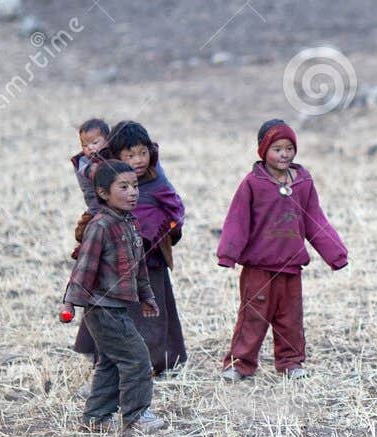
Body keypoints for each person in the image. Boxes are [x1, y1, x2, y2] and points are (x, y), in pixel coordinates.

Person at [217, 120, 349, 380]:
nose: (284, 154)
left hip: (290, 266)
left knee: (290, 318)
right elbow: (238, 220)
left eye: (289, 148)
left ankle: (291, 362)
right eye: (277, 148)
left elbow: (315, 220)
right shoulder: (252, 183)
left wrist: (335, 254)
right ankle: (239, 364)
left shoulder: (302, 181)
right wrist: (228, 253)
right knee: (252, 317)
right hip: (259, 267)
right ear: (263, 150)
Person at [72, 121, 187, 374]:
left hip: (150, 258)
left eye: (143, 152)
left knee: (152, 311)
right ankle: (106, 363)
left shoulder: (156, 180)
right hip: (114, 262)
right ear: (117, 156)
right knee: (108, 309)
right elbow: (96, 211)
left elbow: (174, 210)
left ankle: (154, 362)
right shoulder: (110, 181)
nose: (139, 160)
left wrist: (164, 230)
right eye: (130, 155)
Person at [64, 161, 166, 436]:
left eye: (135, 186)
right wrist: (69, 302)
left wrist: (147, 297)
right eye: (124, 187)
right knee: (137, 359)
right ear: (103, 192)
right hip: (102, 308)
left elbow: (139, 268)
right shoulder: (100, 226)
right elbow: (84, 267)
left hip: (118, 306)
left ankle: (96, 417)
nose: (133, 192)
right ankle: (137, 415)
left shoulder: (131, 224)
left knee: (110, 362)